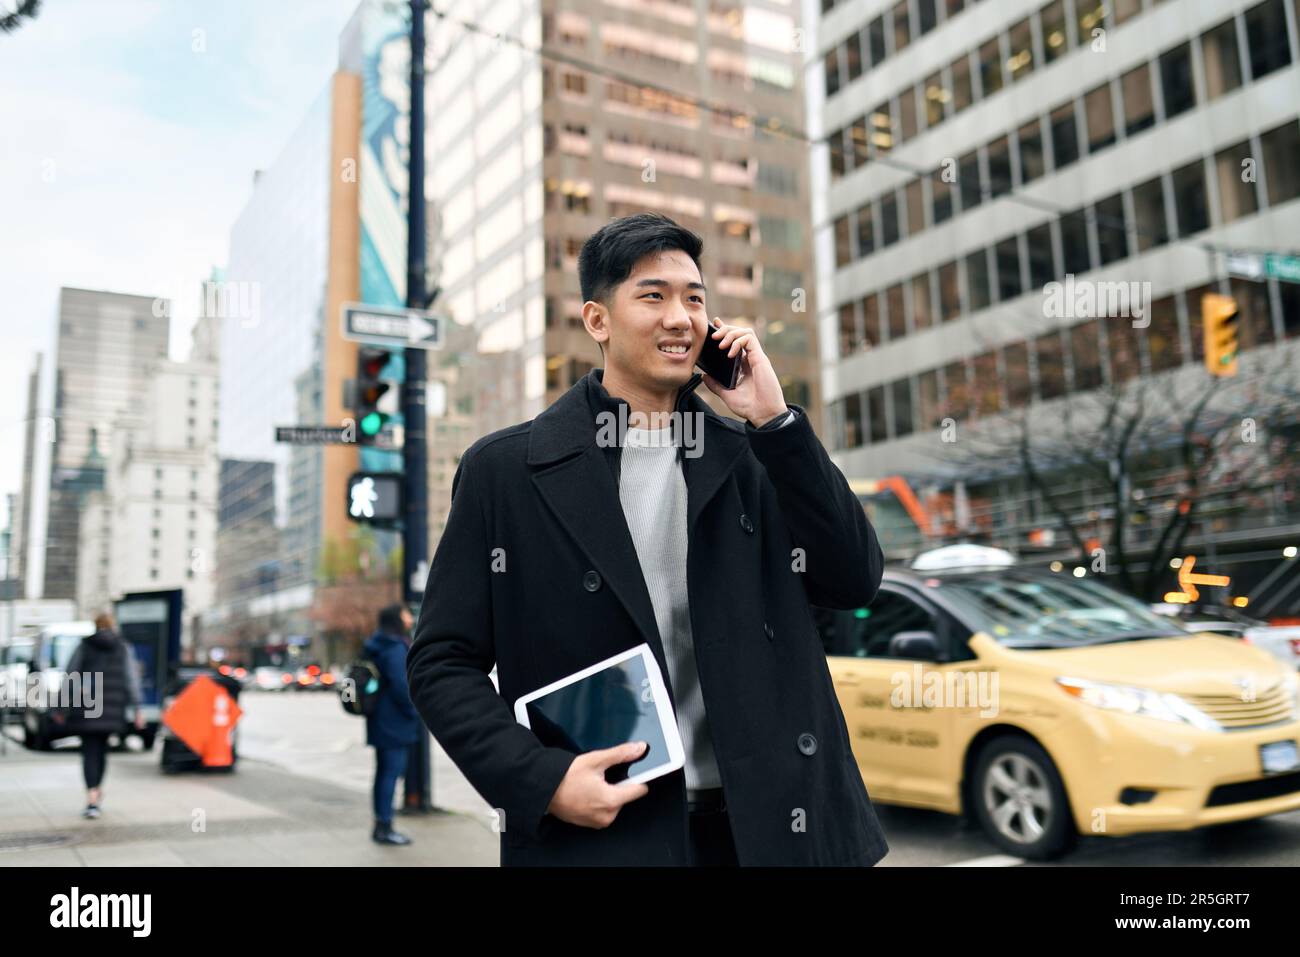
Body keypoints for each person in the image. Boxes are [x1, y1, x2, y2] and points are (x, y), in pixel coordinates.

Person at [408, 212, 889, 866]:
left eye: (695, 298)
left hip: (774, 829)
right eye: (653, 295)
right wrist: (539, 778)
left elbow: (853, 578)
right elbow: (442, 660)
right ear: (598, 321)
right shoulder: (506, 471)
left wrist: (776, 422)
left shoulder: (757, 455)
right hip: (609, 830)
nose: (681, 316)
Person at [59, 612, 143, 819]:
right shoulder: (122, 647)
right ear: (112, 625)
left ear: (95, 626)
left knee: (89, 752)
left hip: (88, 707)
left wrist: (60, 707)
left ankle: (91, 796)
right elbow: (131, 679)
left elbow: (70, 676)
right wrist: (137, 708)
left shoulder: (84, 646)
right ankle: (97, 792)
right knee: (102, 750)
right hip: (112, 709)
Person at [364, 604, 420, 846]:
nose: (410, 618)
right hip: (394, 721)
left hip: (379, 718)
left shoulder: (376, 644)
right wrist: (415, 711)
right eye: (406, 614)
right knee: (391, 773)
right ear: (397, 619)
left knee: (383, 773)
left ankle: (381, 824)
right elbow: (401, 686)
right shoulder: (395, 647)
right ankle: (385, 827)